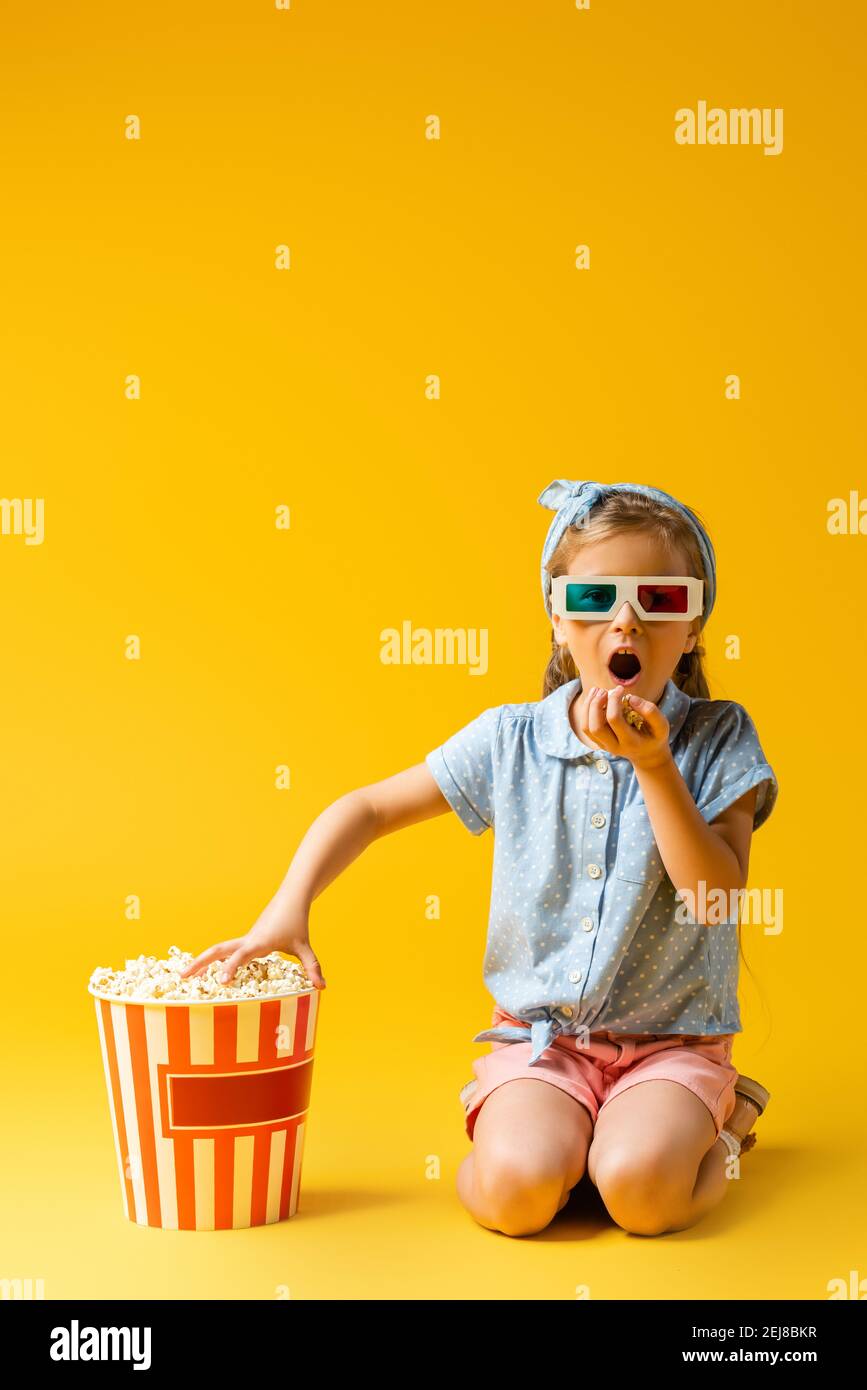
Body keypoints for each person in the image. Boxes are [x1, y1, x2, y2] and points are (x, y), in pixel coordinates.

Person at [181, 478, 779, 1239]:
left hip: (672, 1043)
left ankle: (724, 1119)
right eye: (596, 599)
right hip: (544, 1044)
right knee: (514, 1197)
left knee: (642, 1196)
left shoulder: (719, 737)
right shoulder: (511, 740)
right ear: (559, 620)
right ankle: (563, 1142)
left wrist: (656, 770)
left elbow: (714, 898)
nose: (625, 621)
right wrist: (287, 905)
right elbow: (366, 808)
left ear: (692, 625)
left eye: (657, 600)